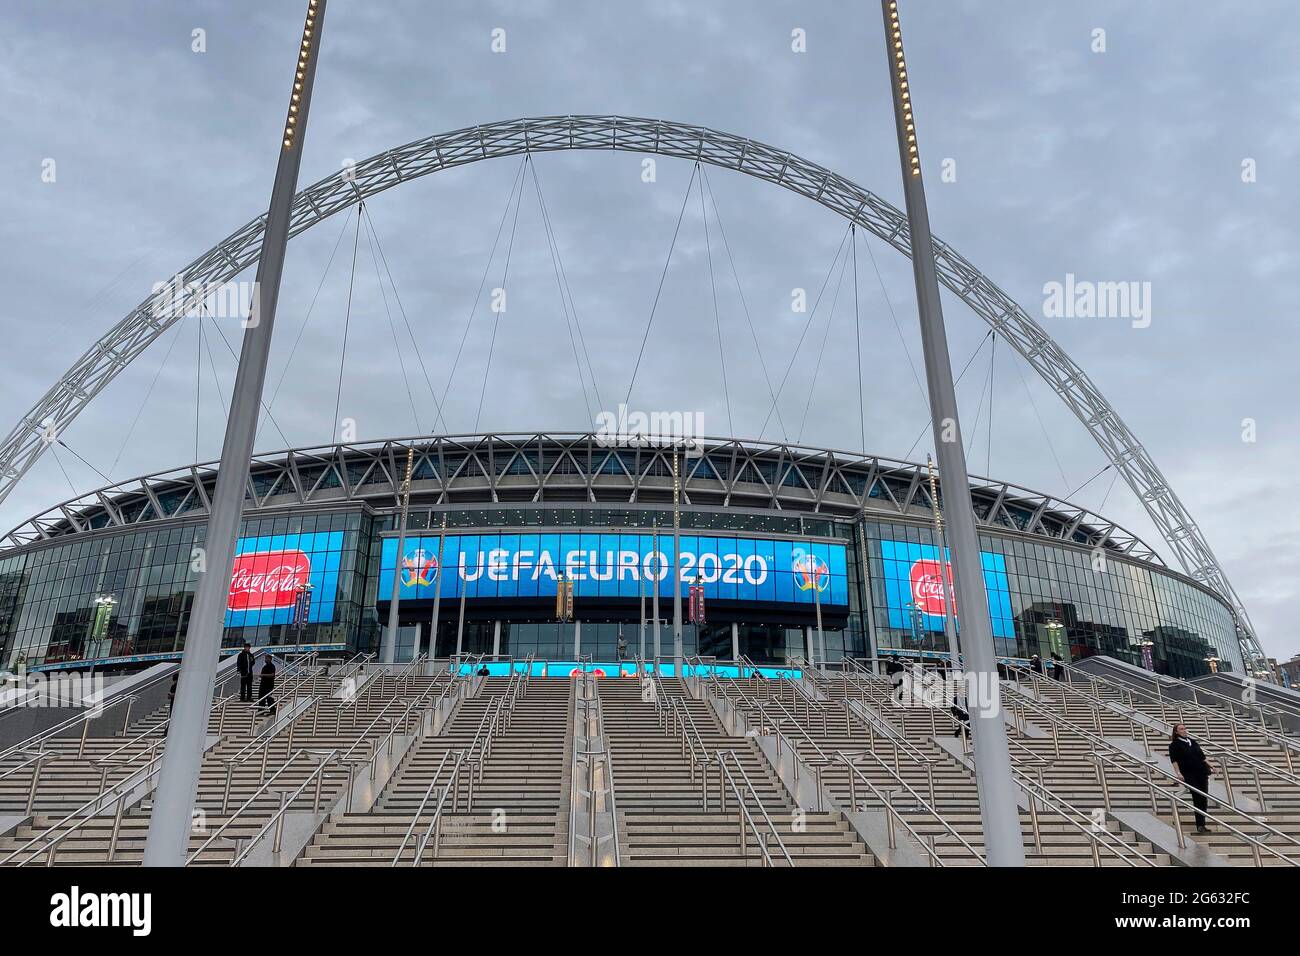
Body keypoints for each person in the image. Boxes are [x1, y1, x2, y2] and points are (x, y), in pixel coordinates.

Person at [1168, 723, 1214, 833]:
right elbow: (1174, 761)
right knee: (1197, 796)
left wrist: (1211, 765)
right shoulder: (1174, 745)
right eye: (1181, 729)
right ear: (1176, 732)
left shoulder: (1192, 742)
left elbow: (1202, 757)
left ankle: (1202, 824)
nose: (1184, 730)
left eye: (1184, 728)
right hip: (1189, 773)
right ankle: (1200, 825)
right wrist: (1178, 773)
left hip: (1201, 772)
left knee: (1203, 797)